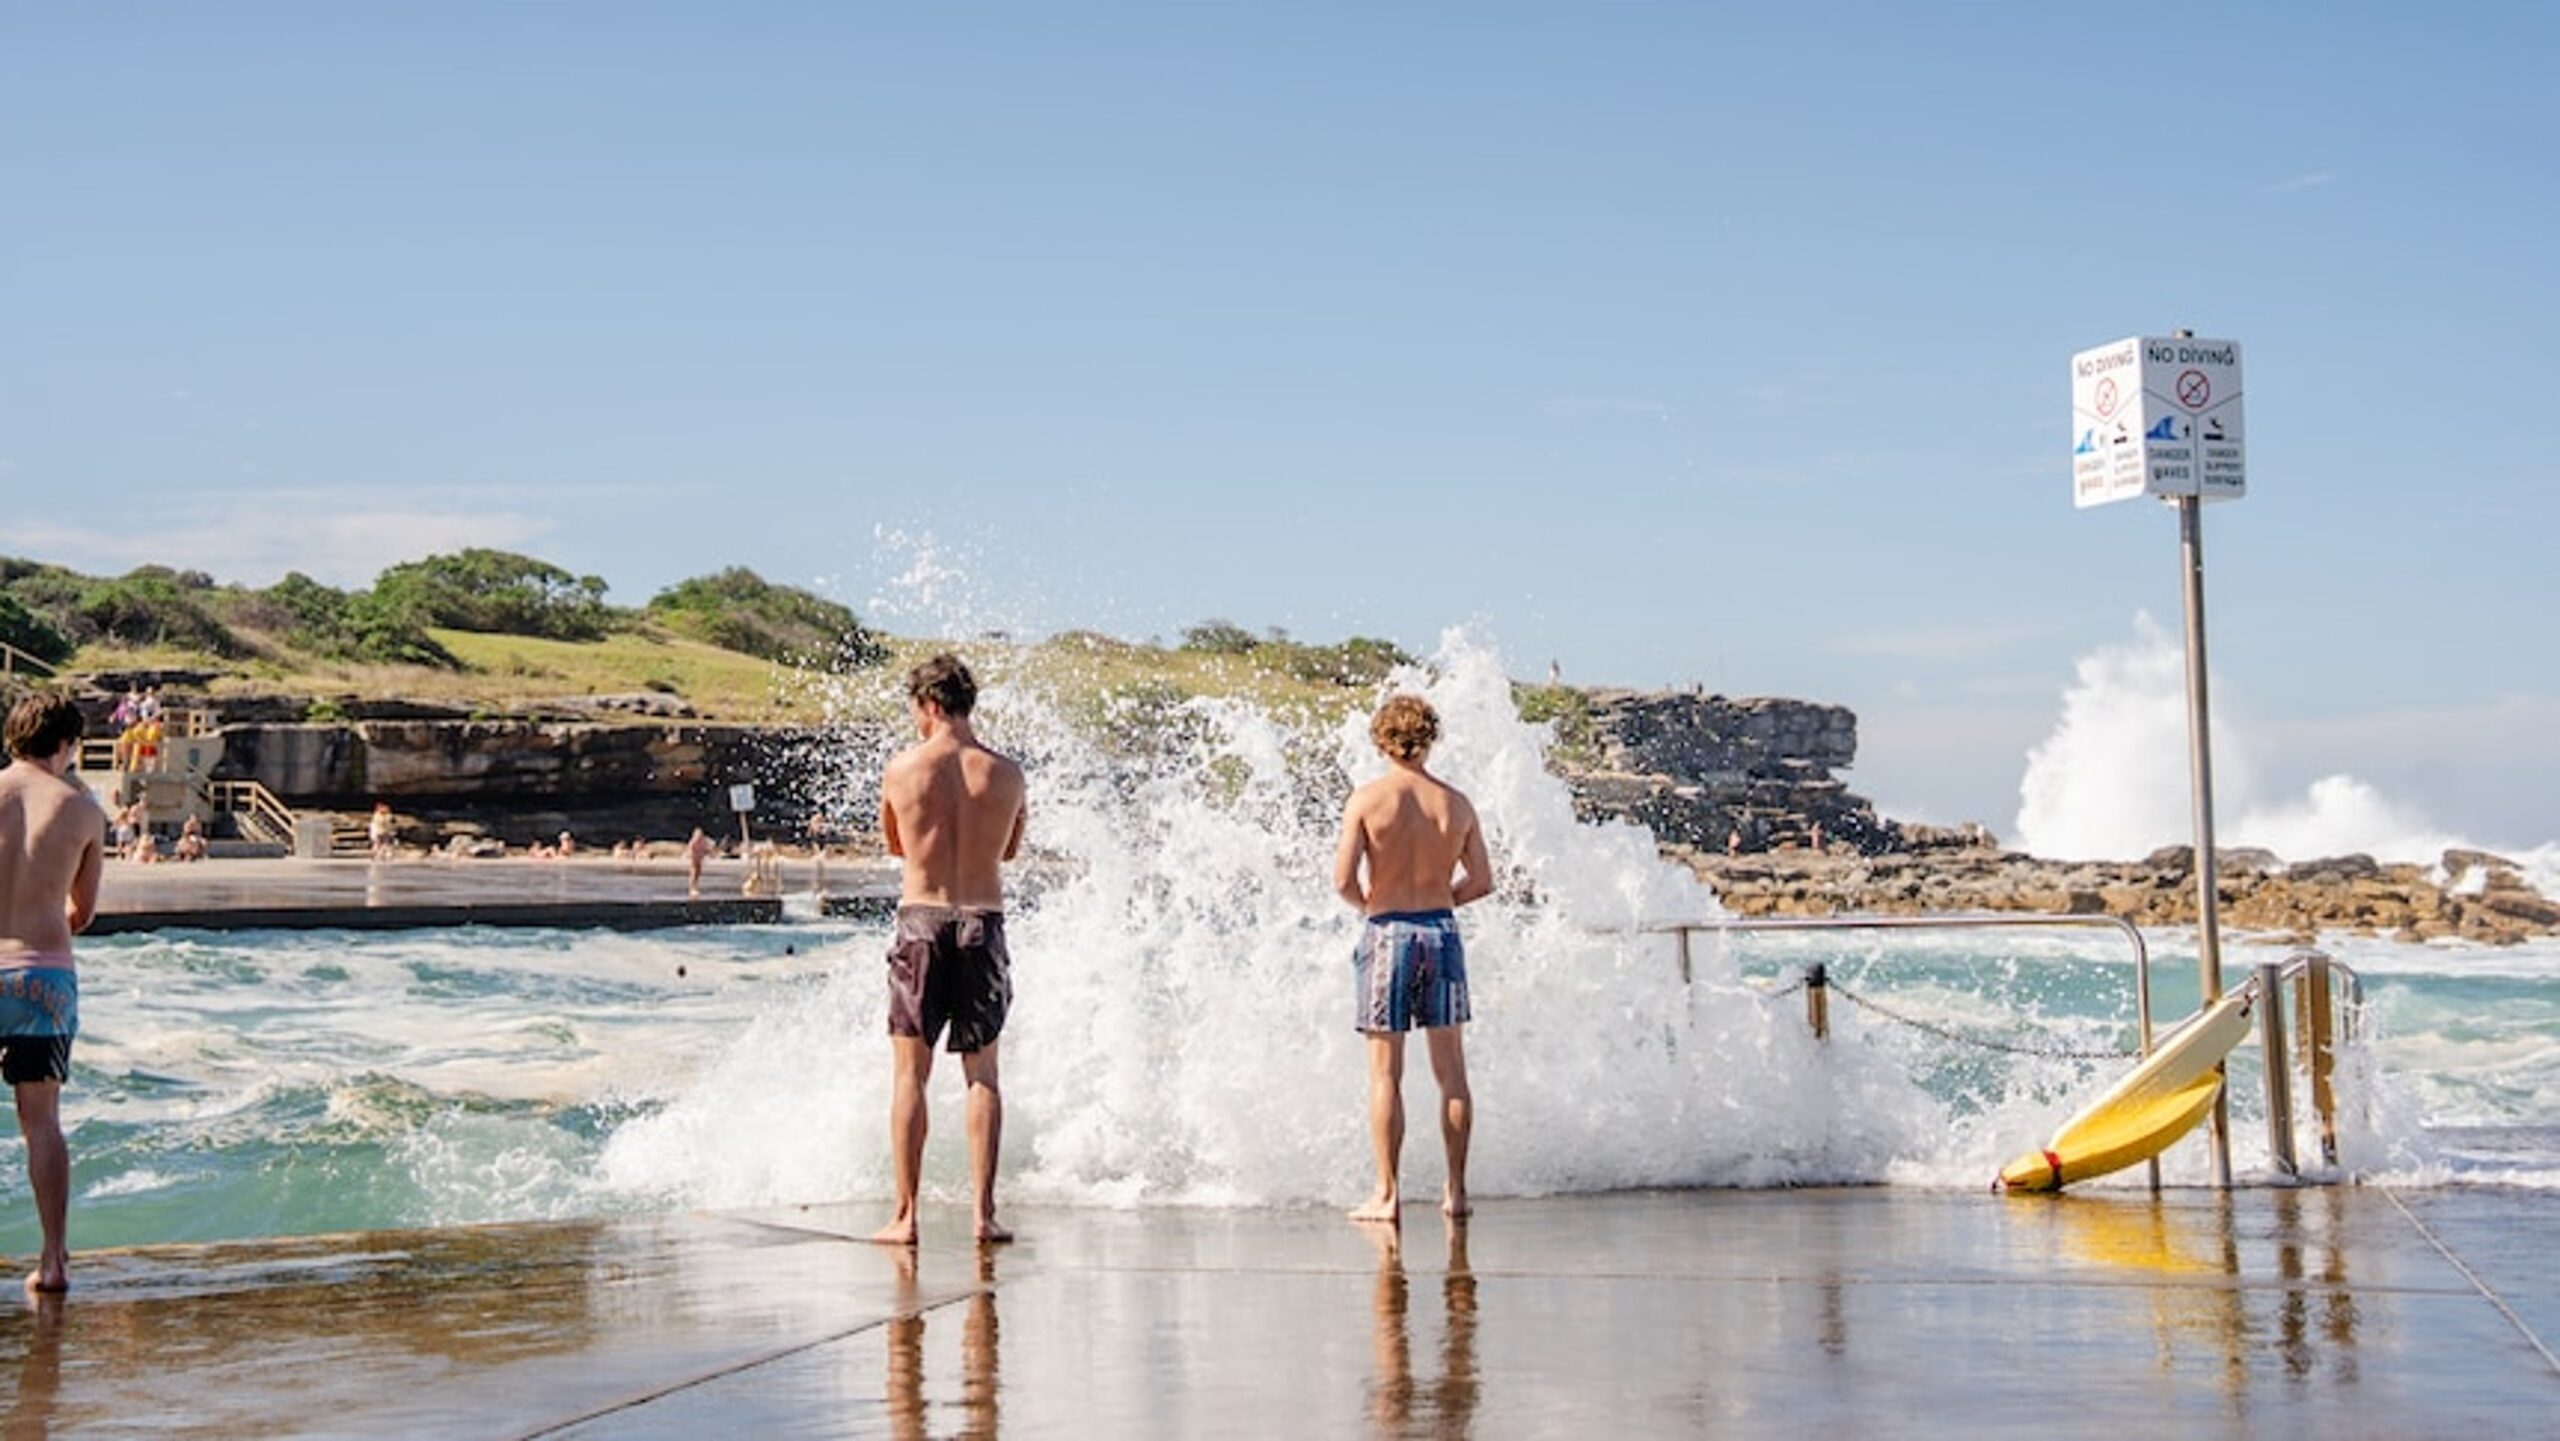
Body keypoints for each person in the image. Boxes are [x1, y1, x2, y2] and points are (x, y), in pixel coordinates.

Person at [871, 654, 1027, 1246]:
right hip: (983, 925)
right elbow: (1008, 851)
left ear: (928, 704)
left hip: (921, 924)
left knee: (911, 1075)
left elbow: (898, 845)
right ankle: (983, 1216)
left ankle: (906, 1217)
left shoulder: (902, 769)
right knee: (982, 1074)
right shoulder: (1008, 773)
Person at [1333, 693, 1493, 1224]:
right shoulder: (1457, 804)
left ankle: (1388, 1194)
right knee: (1452, 1075)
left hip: (1387, 932)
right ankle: (1457, 1191)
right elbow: (1484, 882)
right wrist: (1443, 901)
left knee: (1385, 1076)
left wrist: (1373, 907)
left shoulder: (1367, 800)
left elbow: (1341, 881)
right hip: (1441, 932)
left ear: (1381, 740)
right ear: (1430, 739)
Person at [1, 692, 106, 1294]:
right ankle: (53, 1261)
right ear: (66, 745)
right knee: (41, 1123)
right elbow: (82, 911)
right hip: (42, 977)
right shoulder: (81, 808)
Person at [684, 827, 713, 898]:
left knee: (698, 873)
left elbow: (707, 849)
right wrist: (689, 854)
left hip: (699, 859)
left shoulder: (703, 841)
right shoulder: (693, 842)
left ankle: (695, 887)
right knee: (694, 872)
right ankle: (692, 888)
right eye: (698, 835)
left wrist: (709, 854)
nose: (699, 836)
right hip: (695, 858)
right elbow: (689, 849)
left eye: (700, 835)